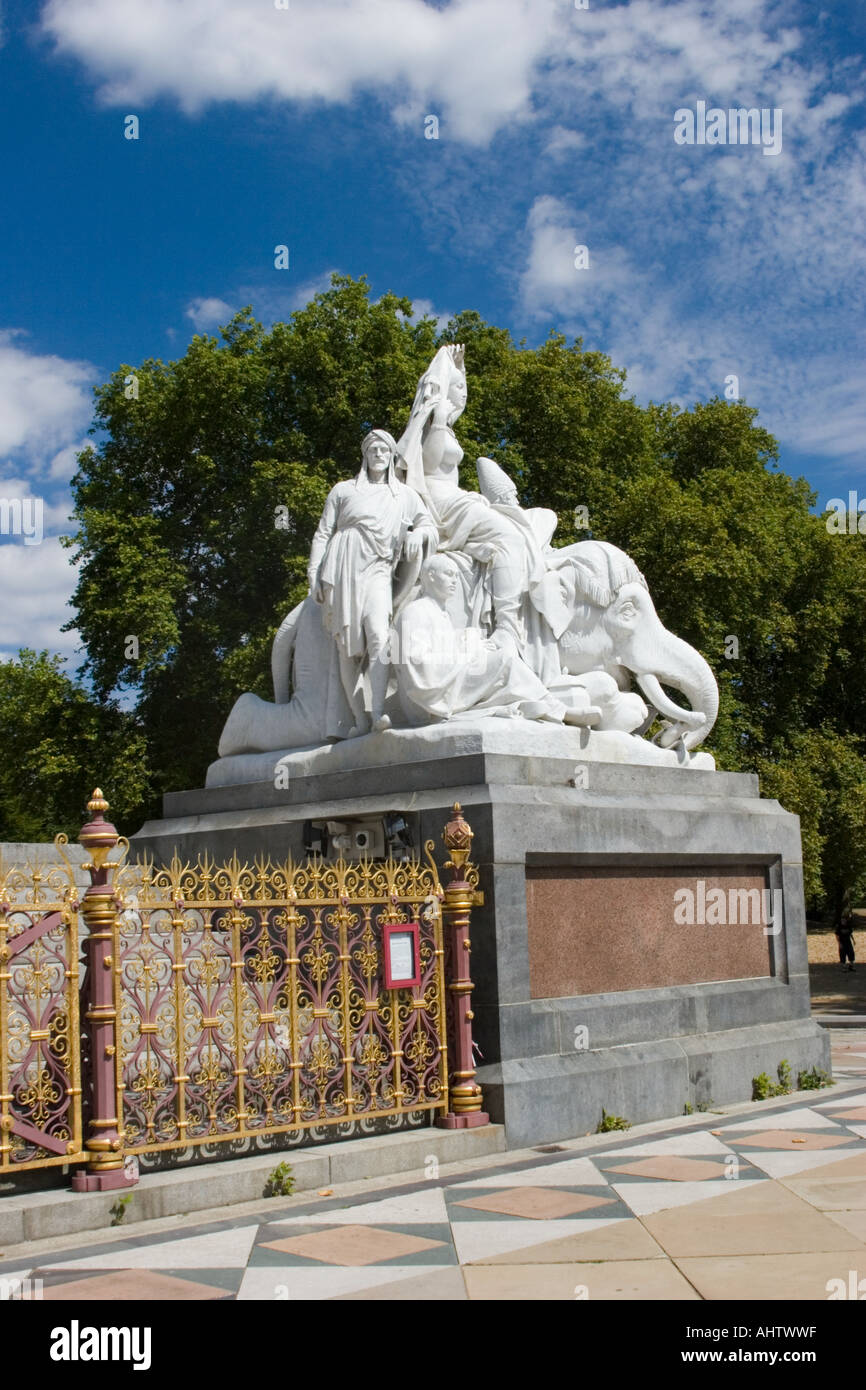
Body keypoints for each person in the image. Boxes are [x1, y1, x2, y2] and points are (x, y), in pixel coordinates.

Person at [396, 346, 547, 660]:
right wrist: (438, 419)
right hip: (441, 503)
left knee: (514, 530)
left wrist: (457, 369)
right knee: (507, 536)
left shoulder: (445, 423)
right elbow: (433, 461)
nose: (461, 396)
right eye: (457, 389)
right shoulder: (432, 423)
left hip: (455, 499)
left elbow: (456, 401)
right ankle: (507, 627)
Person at [308, 429, 437, 733]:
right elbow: (323, 533)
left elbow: (428, 524)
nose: (378, 455)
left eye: (383, 450)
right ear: (364, 455)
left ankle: (377, 711)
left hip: (379, 569)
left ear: (392, 455)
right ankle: (358, 718)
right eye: (372, 450)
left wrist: (418, 534)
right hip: (342, 569)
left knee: (379, 635)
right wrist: (313, 572)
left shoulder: (404, 495)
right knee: (346, 646)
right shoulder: (343, 490)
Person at [392, 553, 598, 727]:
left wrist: (472, 643)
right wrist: (467, 653)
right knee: (504, 660)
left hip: (451, 680)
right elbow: (416, 664)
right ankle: (560, 711)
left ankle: (543, 707)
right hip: (433, 695)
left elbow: (446, 649)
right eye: (448, 574)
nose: (454, 581)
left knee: (499, 663)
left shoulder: (442, 614)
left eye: (456, 576)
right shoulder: (415, 611)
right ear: (430, 576)